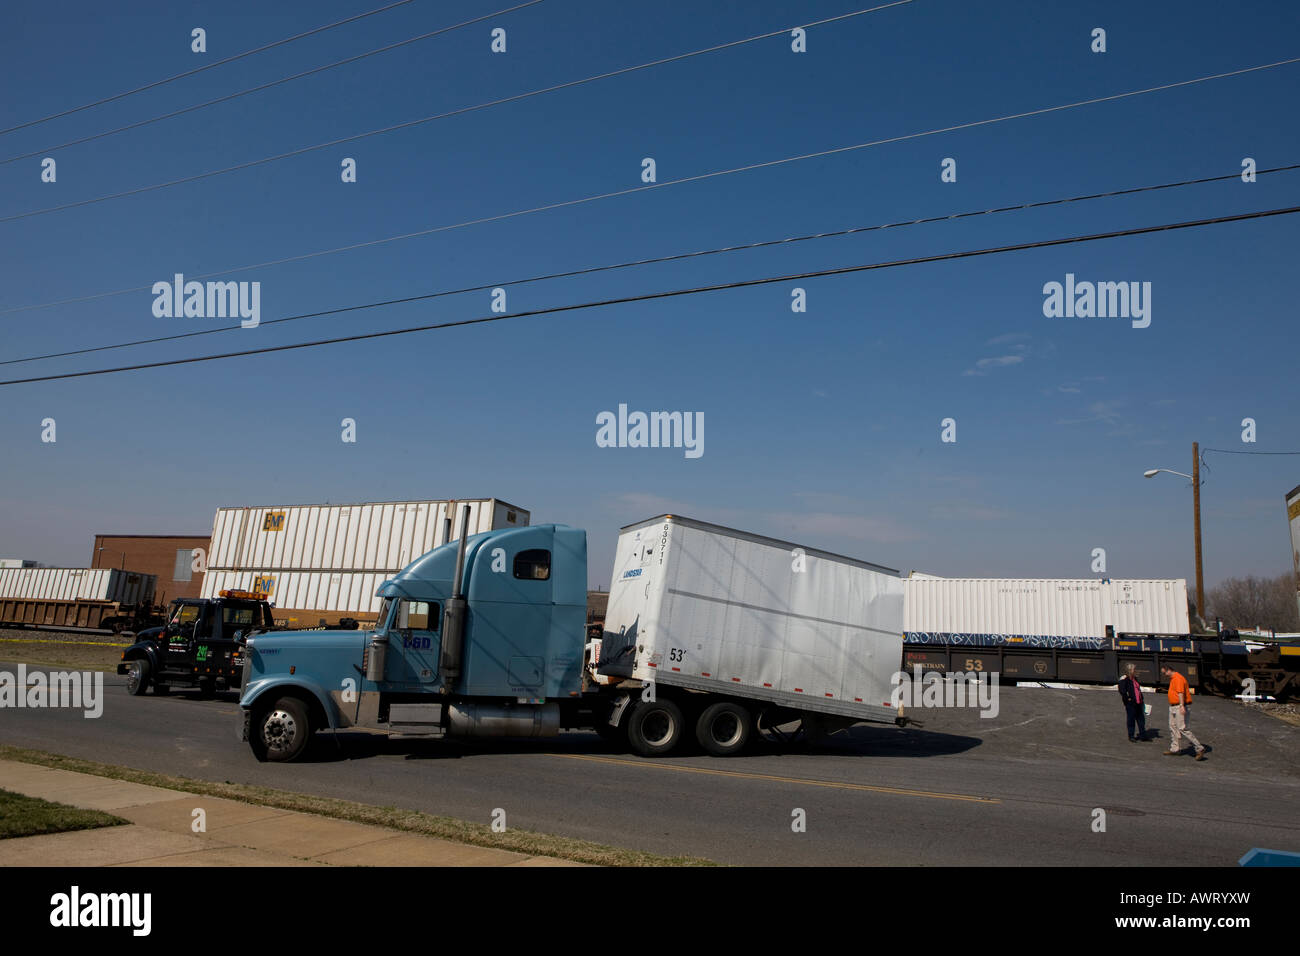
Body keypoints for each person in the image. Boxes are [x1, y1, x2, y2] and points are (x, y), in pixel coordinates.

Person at [1160, 664, 1207, 760]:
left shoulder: (1178, 678)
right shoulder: (1173, 678)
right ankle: (1175, 748)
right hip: (1173, 706)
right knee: (1172, 726)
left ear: (1169, 670)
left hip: (1179, 706)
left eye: (1164, 673)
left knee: (1182, 728)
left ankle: (1199, 747)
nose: (1164, 675)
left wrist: (1182, 706)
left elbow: (1180, 693)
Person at [1117, 663, 1147, 742]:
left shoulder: (1134, 679)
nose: (1135, 671)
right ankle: (1131, 735)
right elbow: (1122, 690)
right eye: (1134, 669)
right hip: (1131, 703)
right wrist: (1127, 699)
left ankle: (1142, 735)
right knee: (1131, 719)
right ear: (1130, 670)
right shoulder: (1124, 679)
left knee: (1141, 719)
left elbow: (1138, 690)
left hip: (1138, 702)